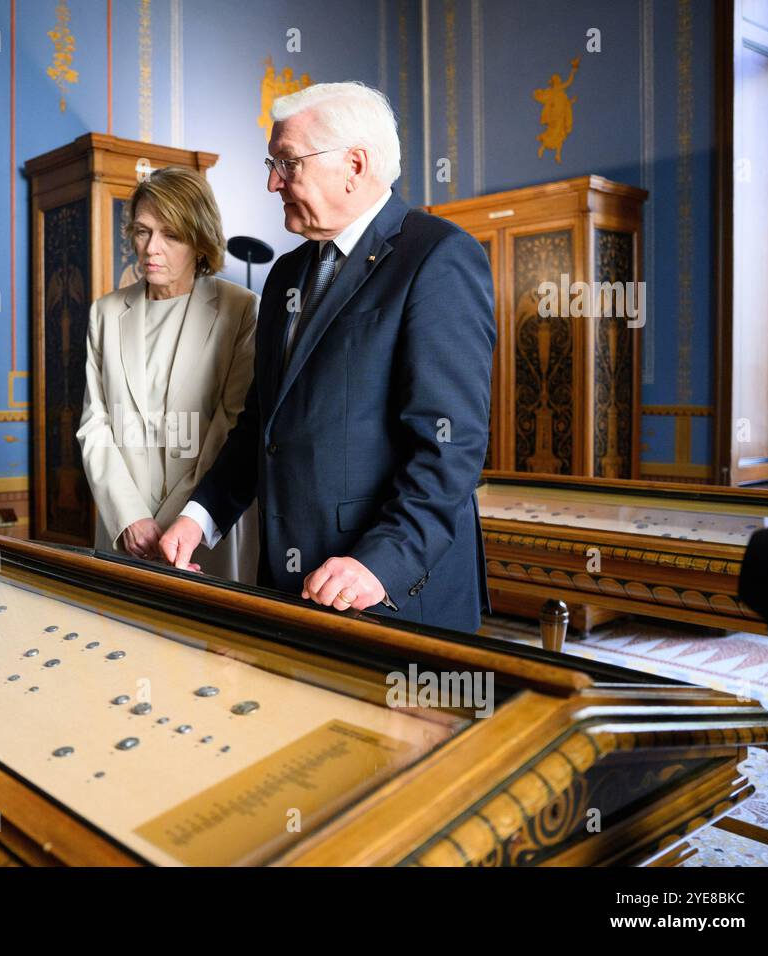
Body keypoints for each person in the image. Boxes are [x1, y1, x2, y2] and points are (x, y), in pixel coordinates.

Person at [159, 81, 496, 634]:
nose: (272, 182)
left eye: (286, 163)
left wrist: (379, 565)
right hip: (290, 582)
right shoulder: (286, 274)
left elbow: (448, 447)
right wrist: (199, 518)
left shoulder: (439, 257)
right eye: (272, 164)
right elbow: (263, 424)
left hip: (389, 591)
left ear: (354, 165)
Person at [77, 166, 259, 582]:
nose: (151, 249)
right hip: (125, 528)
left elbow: (232, 427)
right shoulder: (105, 312)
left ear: (199, 240)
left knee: (208, 644)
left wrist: (179, 519)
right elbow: (94, 425)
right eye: (142, 232)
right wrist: (130, 517)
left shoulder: (241, 308)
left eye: (171, 235)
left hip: (203, 529)